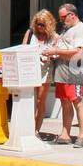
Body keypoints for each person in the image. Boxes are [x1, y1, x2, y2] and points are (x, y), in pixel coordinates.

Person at [43, 2, 83, 147]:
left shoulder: (80, 30)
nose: (62, 20)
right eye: (61, 18)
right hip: (62, 71)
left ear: (72, 15)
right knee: (65, 101)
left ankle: (82, 136)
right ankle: (65, 133)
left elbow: (78, 51)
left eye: (63, 17)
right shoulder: (67, 30)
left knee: (77, 101)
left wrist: (55, 52)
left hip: (74, 72)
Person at [22, 9, 59, 138]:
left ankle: (36, 129)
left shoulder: (54, 37)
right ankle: (27, 127)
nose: (39, 27)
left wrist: (51, 55)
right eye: (38, 24)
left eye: (42, 25)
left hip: (45, 70)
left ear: (48, 24)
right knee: (28, 99)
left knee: (40, 100)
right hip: (30, 69)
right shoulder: (31, 33)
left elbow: (57, 53)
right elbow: (22, 48)